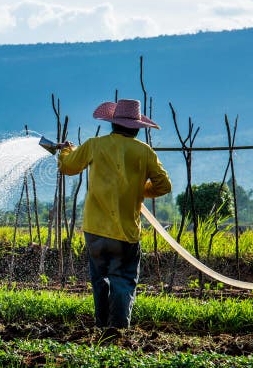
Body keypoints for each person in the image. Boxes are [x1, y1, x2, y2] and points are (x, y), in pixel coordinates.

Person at [57, 99, 171, 331]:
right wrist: (140, 190)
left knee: (100, 281)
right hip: (126, 232)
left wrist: (67, 150)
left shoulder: (94, 145)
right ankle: (117, 332)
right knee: (123, 281)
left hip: (95, 231)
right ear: (137, 128)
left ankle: (101, 327)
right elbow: (164, 185)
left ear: (113, 124)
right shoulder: (144, 152)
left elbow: (68, 167)